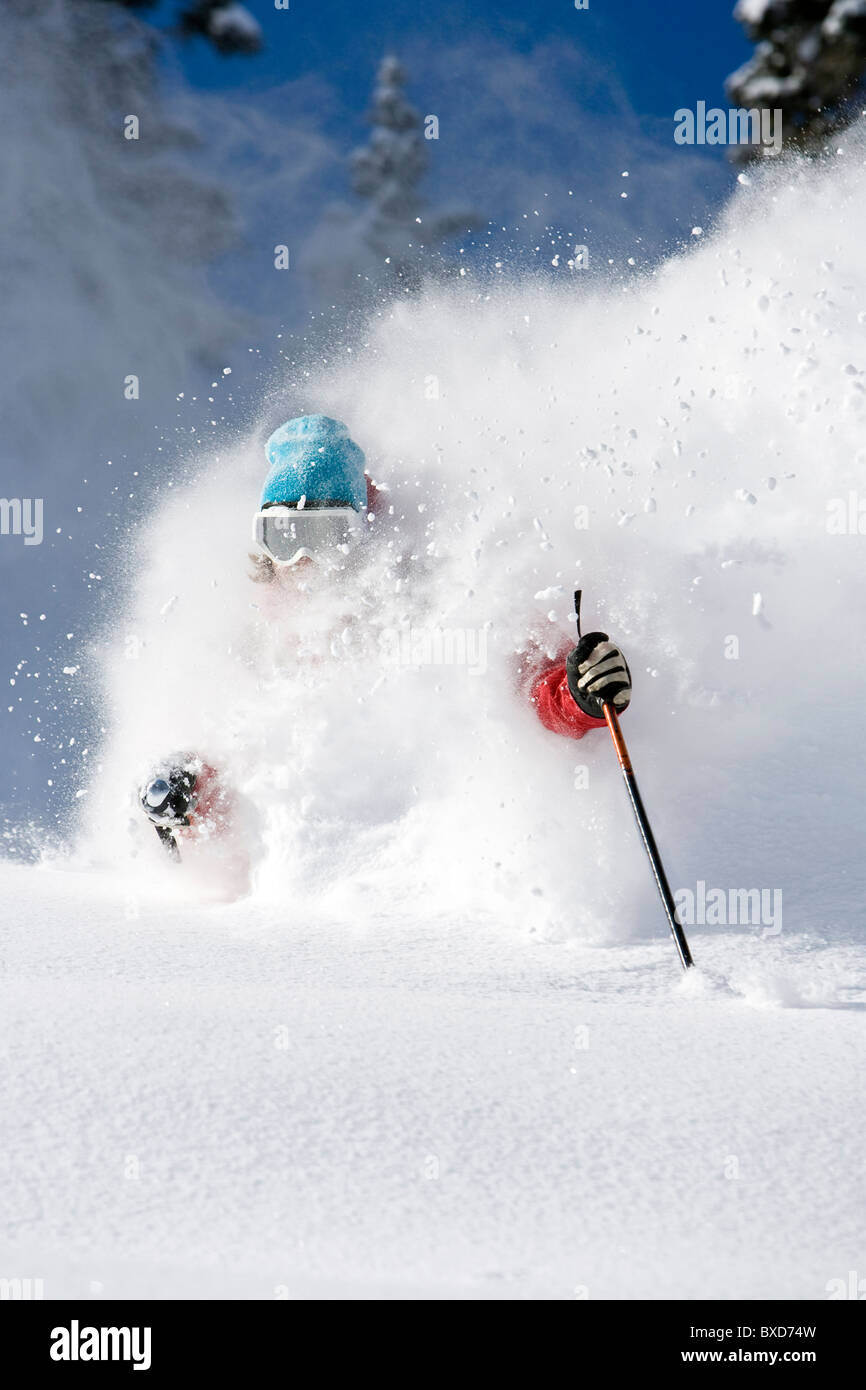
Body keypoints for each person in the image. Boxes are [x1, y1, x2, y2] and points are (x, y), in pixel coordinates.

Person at [138, 414, 632, 857]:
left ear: (362, 533)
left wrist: (578, 696)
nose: (304, 562)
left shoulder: (435, 591)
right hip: (313, 883)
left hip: (425, 857)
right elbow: (241, 758)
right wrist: (188, 787)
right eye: (285, 537)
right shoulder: (260, 634)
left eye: (327, 535)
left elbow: (527, 686)